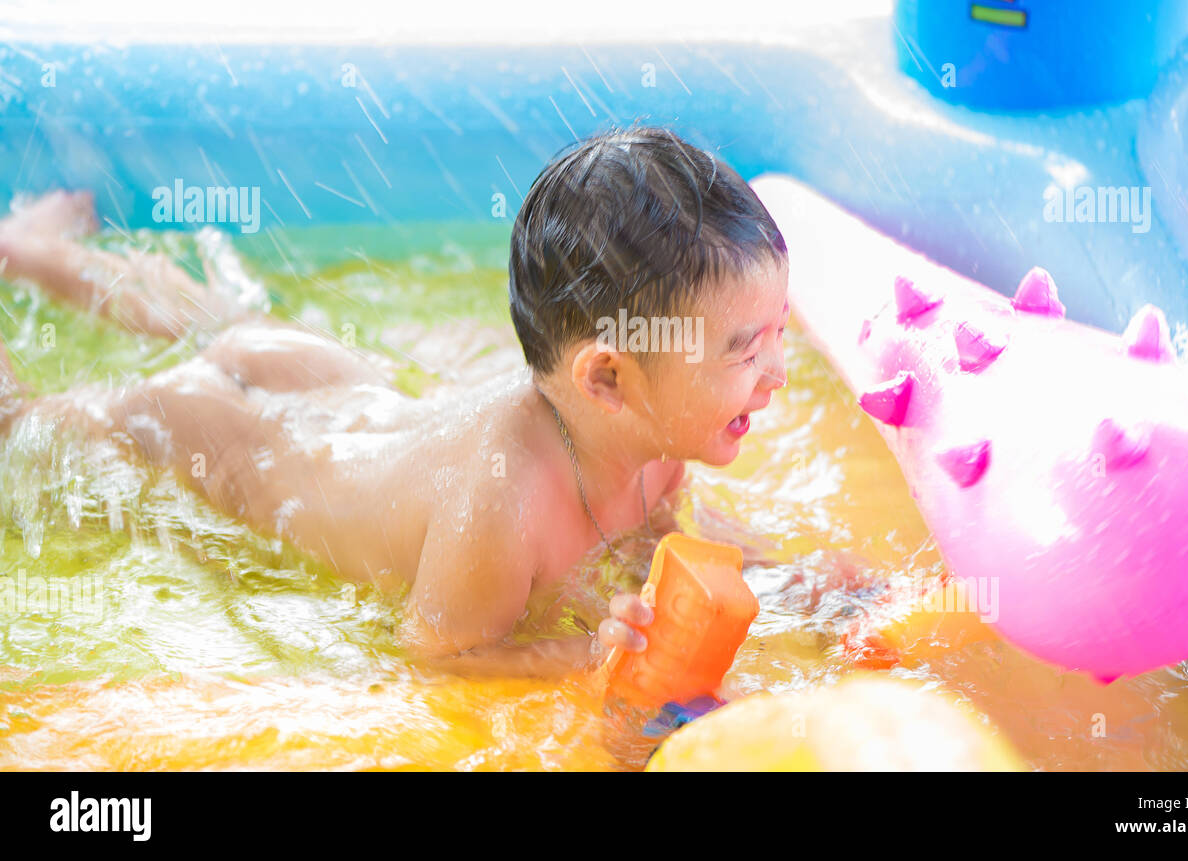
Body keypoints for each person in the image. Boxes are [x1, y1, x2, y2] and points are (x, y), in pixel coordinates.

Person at [0, 125, 789, 678]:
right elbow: (438, 654)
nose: (778, 373)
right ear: (608, 380)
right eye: (744, 350)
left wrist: (799, 582)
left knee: (218, 321)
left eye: (779, 333)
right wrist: (585, 657)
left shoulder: (657, 447)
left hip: (336, 391)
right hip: (235, 440)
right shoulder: (504, 503)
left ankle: (32, 248)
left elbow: (656, 543)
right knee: (23, 425)